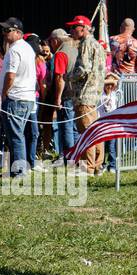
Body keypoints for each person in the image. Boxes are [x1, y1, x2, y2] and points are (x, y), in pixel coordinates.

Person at [65, 15, 107, 174]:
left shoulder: (86, 44)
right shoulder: (96, 44)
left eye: (73, 28)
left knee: (86, 132)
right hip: (94, 95)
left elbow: (84, 69)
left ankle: (88, 167)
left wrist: (68, 76)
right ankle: (96, 165)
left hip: (84, 95)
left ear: (82, 28)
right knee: (94, 131)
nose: (71, 31)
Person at [0, 18, 38, 176]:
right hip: (26, 97)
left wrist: (4, 92)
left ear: (17, 32)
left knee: (15, 136)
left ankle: (20, 170)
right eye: (4, 30)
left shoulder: (14, 50)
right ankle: (15, 169)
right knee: (16, 135)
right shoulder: (27, 48)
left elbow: (10, 75)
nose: (4, 33)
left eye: (7, 30)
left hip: (16, 97)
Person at [48, 29, 77, 159]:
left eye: (50, 41)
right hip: (76, 94)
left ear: (55, 40)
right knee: (75, 128)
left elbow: (60, 78)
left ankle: (69, 158)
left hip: (66, 96)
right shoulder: (75, 50)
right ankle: (76, 155)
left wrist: (58, 98)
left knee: (67, 127)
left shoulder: (61, 53)